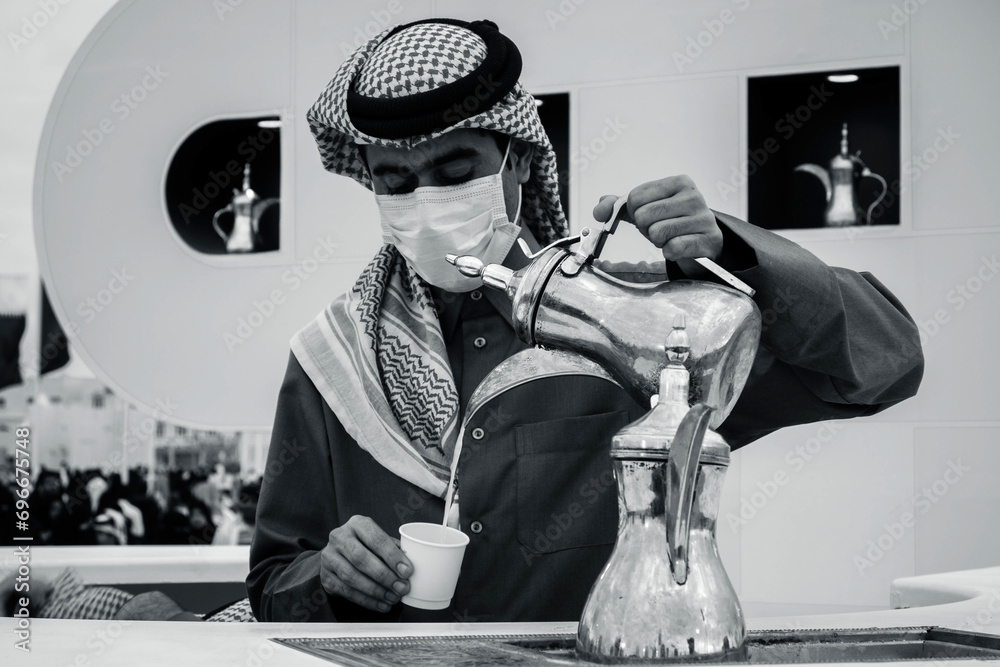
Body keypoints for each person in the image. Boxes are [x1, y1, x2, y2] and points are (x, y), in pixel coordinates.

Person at [247, 18, 923, 623]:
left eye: (456, 170)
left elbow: (885, 364)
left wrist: (733, 253)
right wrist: (328, 575)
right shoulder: (332, 360)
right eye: (395, 182)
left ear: (516, 161)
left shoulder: (629, 325)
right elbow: (275, 581)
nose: (425, 201)